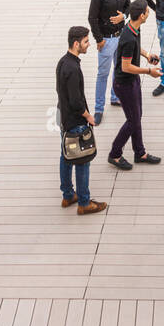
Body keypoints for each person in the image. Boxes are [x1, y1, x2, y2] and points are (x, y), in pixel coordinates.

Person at [56, 26, 107, 216]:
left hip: (64, 118)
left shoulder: (63, 62)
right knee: (82, 160)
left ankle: (68, 194)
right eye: (86, 41)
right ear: (76, 43)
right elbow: (77, 101)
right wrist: (89, 117)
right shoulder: (73, 68)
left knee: (66, 155)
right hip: (76, 121)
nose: (89, 44)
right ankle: (84, 202)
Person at [107, 0, 162, 169]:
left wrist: (146, 55)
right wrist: (148, 71)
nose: (149, 13)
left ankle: (140, 152)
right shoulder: (129, 37)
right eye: (147, 11)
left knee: (136, 117)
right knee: (133, 120)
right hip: (124, 85)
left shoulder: (133, 27)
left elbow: (136, 47)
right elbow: (125, 66)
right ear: (141, 15)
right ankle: (115, 154)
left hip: (132, 81)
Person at [87, 0, 130, 124]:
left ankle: (115, 97)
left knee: (119, 69)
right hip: (106, 40)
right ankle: (98, 109)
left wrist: (123, 17)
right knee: (103, 74)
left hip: (121, 36)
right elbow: (92, 18)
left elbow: (129, 6)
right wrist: (98, 39)